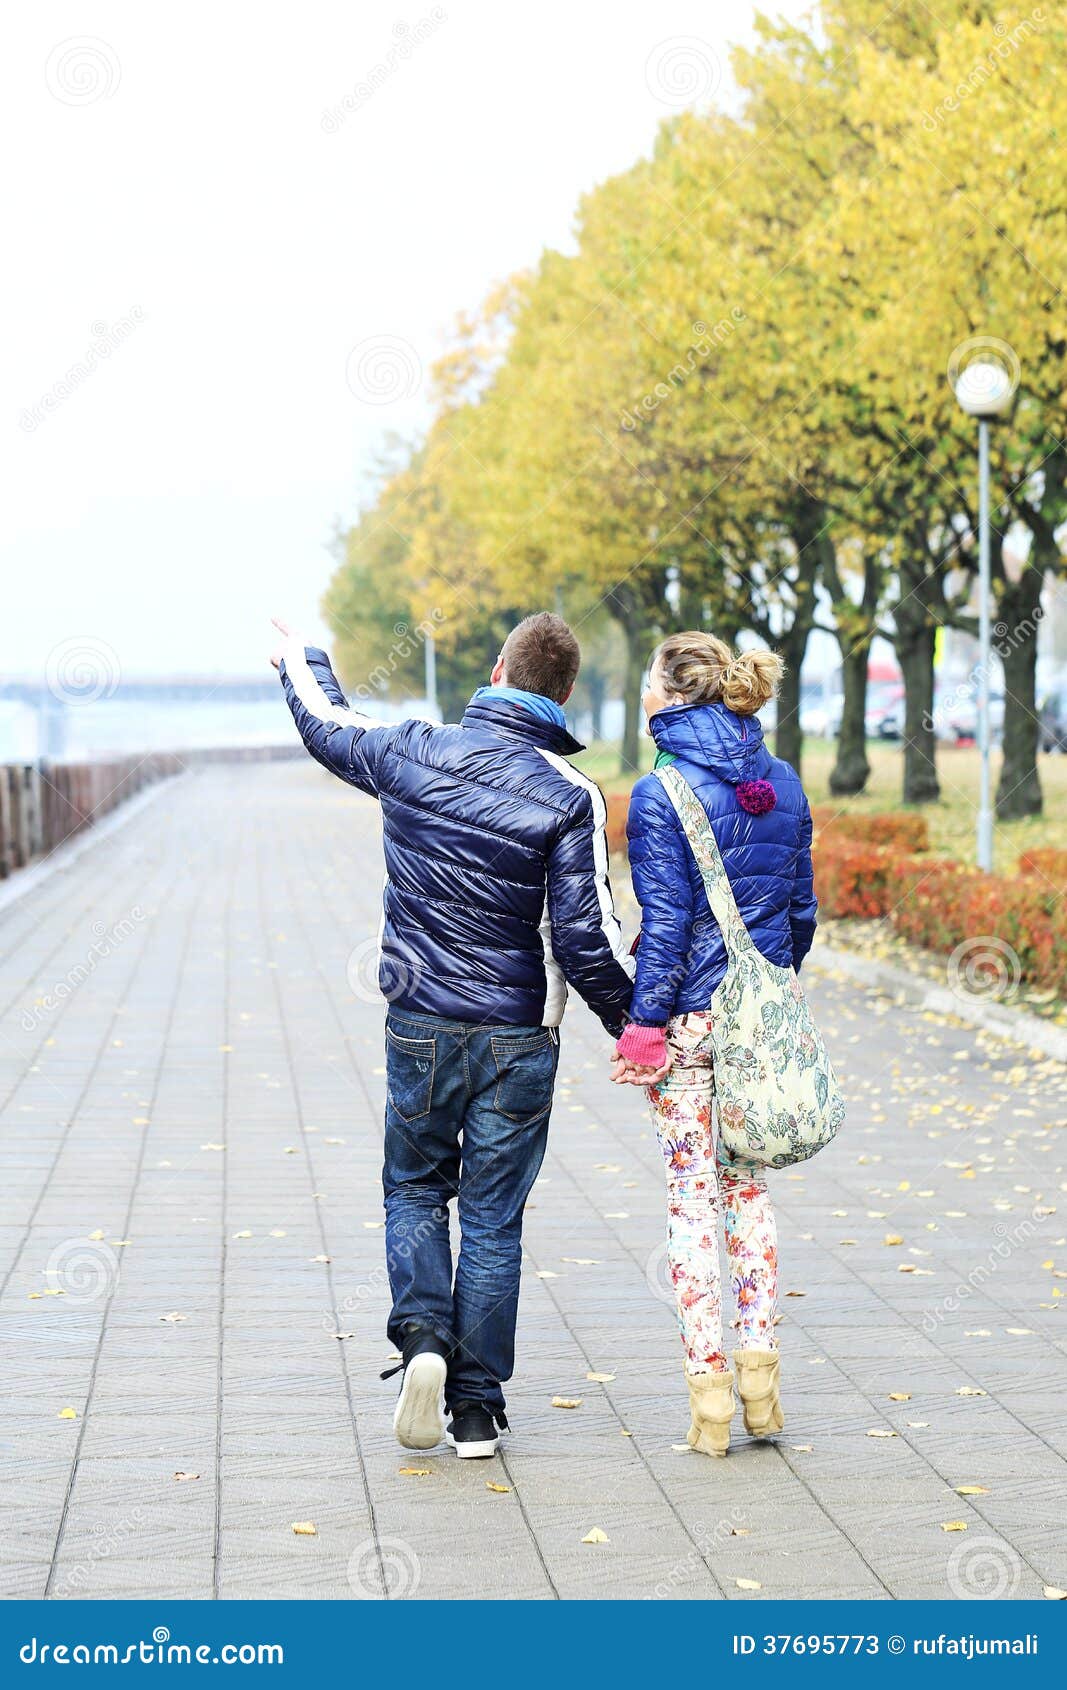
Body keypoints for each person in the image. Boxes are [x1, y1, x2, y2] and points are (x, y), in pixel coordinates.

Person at [271, 612, 633, 1458]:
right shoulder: (569, 794)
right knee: (495, 1220)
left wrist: (297, 655)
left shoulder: (413, 751)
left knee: (413, 1189)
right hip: (518, 1036)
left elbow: (328, 726)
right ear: (566, 694)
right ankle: (475, 1410)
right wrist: (634, 1028)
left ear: (497, 665)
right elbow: (587, 937)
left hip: (421, 1023)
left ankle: (423, 1342)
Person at [611, 632, 817, 1458]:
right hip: (756, 1017)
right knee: (750, 1192)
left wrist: (644, 1027)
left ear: (667, 695)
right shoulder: (784, 780)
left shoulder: (660, 791)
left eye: (646, 683)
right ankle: (761, 1381)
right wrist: (770, 984)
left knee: (691, 1198)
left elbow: (663, 928)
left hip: (690, 1019)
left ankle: (709, 1402)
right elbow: (800, 911)